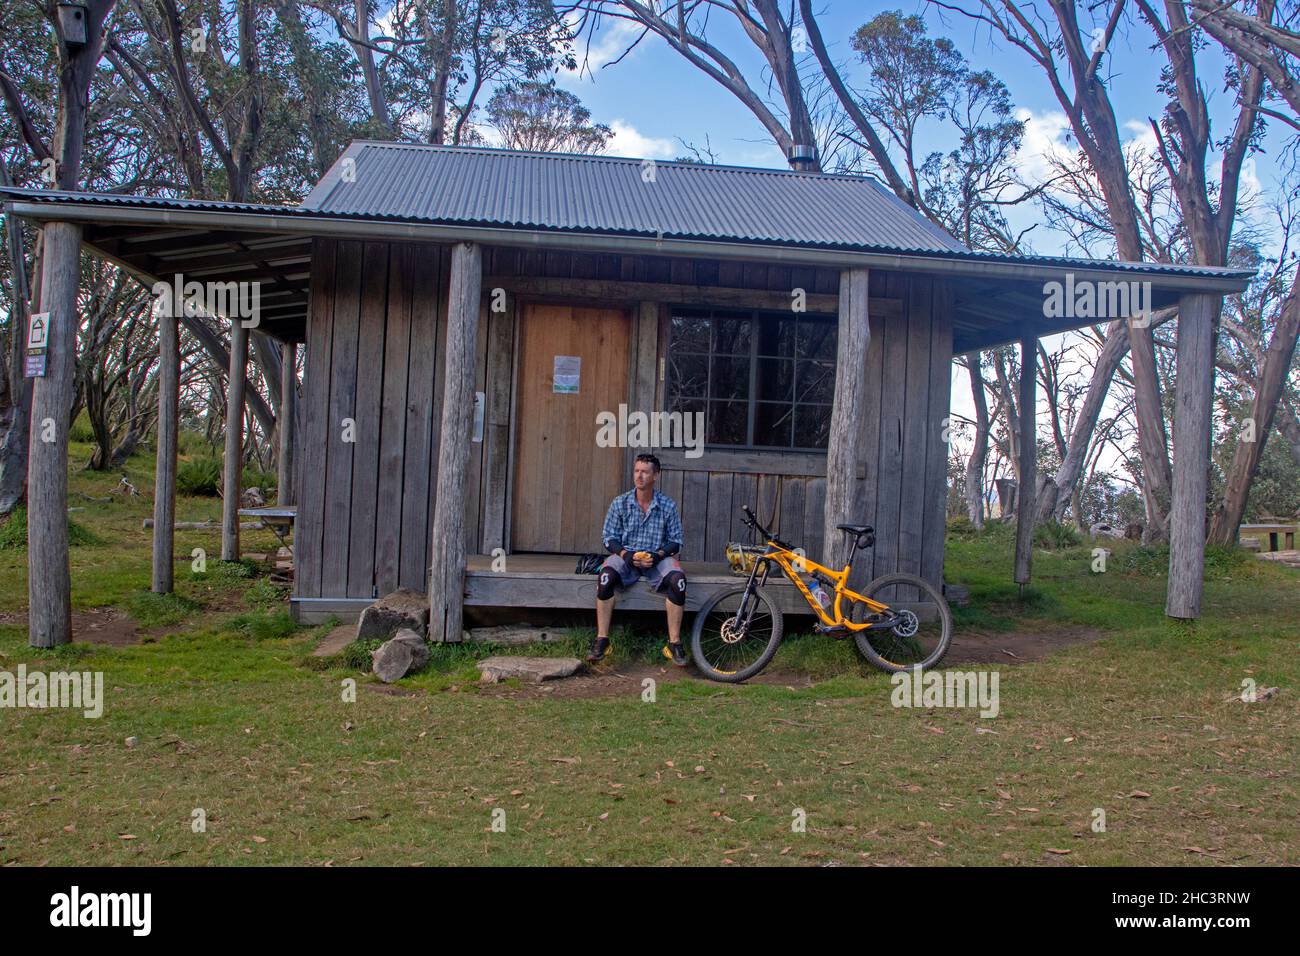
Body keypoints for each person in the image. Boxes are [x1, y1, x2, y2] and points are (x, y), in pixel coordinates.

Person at [588, 453, 688, 665]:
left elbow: (677, 541)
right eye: (636, 471)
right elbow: (608, 537)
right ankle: (602, 640)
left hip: (657, 558)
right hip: (627, 555)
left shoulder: (667, 505)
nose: (639, 476)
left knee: (678, 581)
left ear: (656, 475)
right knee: (605, 577)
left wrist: (658, 554)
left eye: (645, 472)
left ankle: (674, 644)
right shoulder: (620, 503)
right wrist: (626, 555)